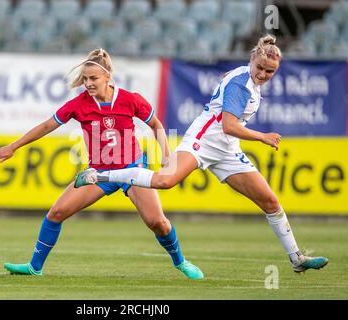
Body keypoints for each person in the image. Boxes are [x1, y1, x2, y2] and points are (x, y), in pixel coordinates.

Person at [75, 36, 329, 273]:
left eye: (269, 71)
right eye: (260, 67)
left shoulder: (247, 79)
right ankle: (100, 175)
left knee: (270, 202)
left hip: (228, 149)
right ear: (251, 60)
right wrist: (263, 136)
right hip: (202, 141)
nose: (263, 74)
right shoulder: (241, 84)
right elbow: (229, 125)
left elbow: (229, 129)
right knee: (165, 181)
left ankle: (297, 259)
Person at [0, 48, 203, 279]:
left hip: (132, 169)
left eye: (93, 79)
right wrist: (14, 146)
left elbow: (156, 124)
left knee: (158, 223)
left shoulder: (130, 99)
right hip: (99, 174)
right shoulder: (78, 104)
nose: (88, 84)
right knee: (56, 212)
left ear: (108, 76)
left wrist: (166, 154)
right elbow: (46, 126)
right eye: (85, 79)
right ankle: (34, 267)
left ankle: (181, 262)